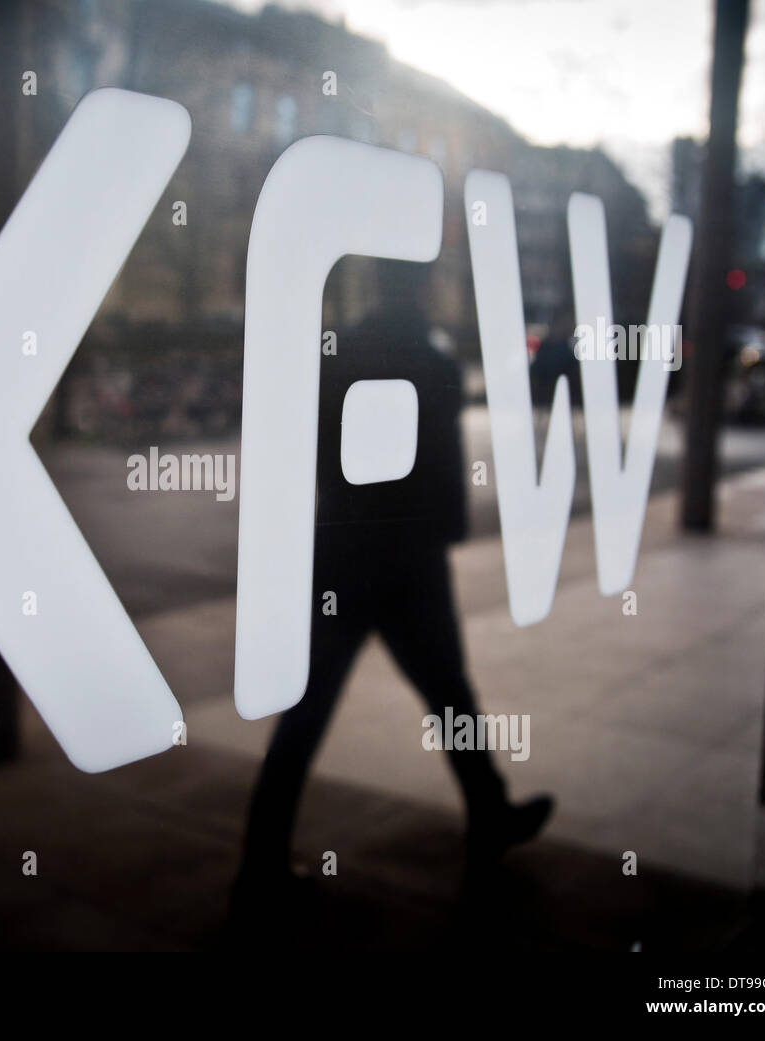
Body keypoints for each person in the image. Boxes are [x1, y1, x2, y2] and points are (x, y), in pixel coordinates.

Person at [234, 263, 553, 908]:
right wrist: (446, 533)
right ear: (421, 289)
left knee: (306, 711)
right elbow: (441, 463)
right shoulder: (433, 359)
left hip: (343, 553)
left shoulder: (339, 352)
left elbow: (308, 445)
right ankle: (490, 813)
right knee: (450, 693)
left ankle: (260, 862)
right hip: (409, 559)